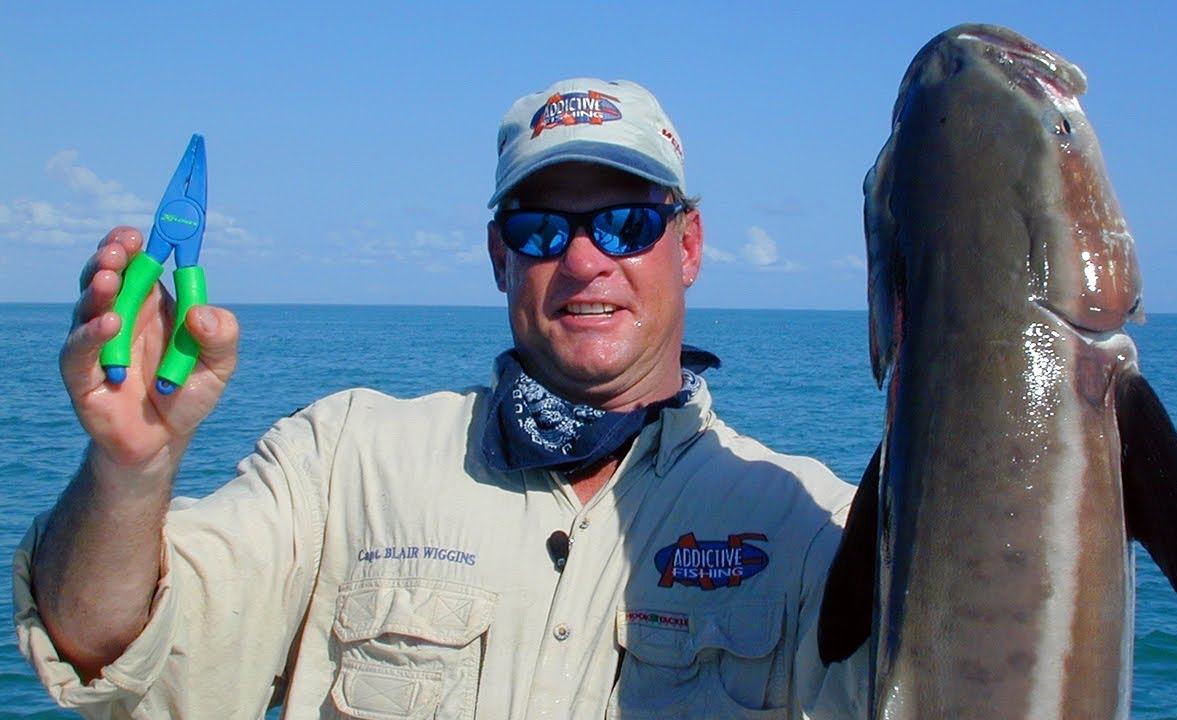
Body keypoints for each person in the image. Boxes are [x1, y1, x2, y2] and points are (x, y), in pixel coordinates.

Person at [15, 78, 867, 718]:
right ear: (500, 257)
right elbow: (105, 650)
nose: (583, 260)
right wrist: (131, 469)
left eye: (628, 224)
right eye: (540, 228)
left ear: (689, 246)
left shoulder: (814, 529)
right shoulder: (344, 459)